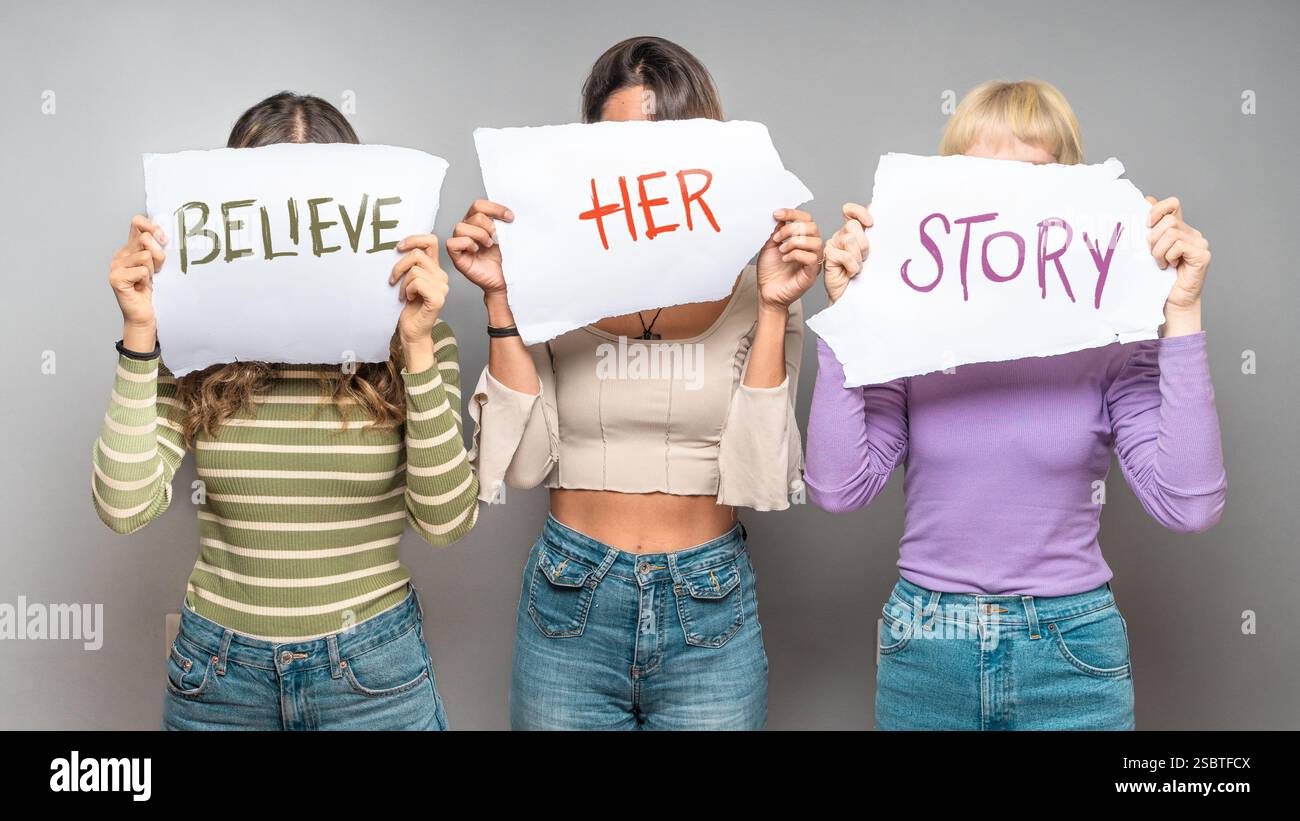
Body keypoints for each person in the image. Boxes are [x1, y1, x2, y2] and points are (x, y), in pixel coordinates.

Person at [808, 79, 1226, 730]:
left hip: (1071, 647)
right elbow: (839, 487)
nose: (1006, 201)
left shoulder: (1112, 335)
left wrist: (1183, 311)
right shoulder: (910, 331)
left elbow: (1189, 503)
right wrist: (848, 319)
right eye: (981, 175)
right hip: (927, 640)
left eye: (1031, 175)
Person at [452, 36, 822, 729]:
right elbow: (524, 466)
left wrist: (773, 308)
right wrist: (503, 299)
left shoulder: (761, 281)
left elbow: (766, 478)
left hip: (708, 603)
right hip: (570, 596)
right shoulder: (548, 277)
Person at [92, 92, 478, 730]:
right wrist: (141, 336)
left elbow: (446, 521)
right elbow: (123, 507)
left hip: (372, 673)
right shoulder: (193, 342)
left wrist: (413, 348)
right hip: (219, 677)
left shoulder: (419, 338)